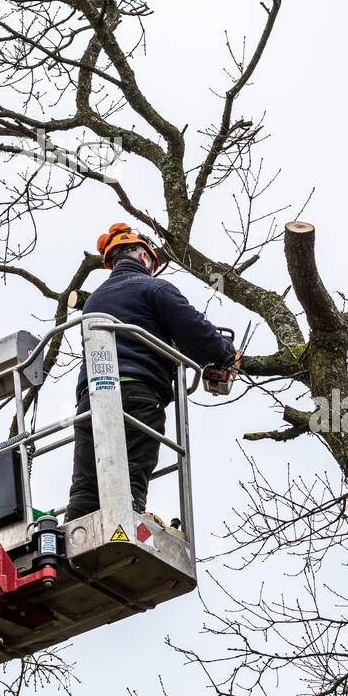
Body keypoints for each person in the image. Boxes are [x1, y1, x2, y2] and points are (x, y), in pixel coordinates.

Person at [65, 222, 237, 521]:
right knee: (131, 475)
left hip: (91, 400)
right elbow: (195, 331)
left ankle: (74, 543)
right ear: (144, 257)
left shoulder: (94, 300)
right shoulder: (154, 287)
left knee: (86, 488)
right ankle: (126, 529)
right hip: (138, 394)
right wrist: (225, 353)